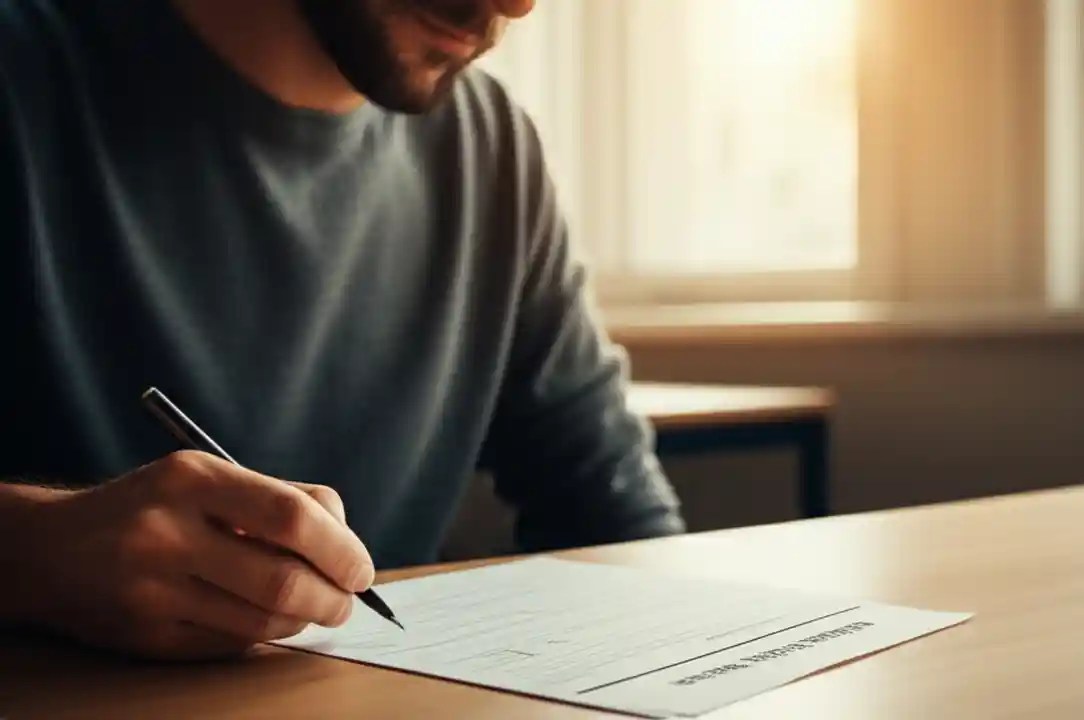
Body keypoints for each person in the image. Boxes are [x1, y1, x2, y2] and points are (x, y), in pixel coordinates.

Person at [0, 0, 684, 660]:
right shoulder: (25, 72)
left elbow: (612, 514)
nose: (516, 4)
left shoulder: (490, 146)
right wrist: (33, 552)